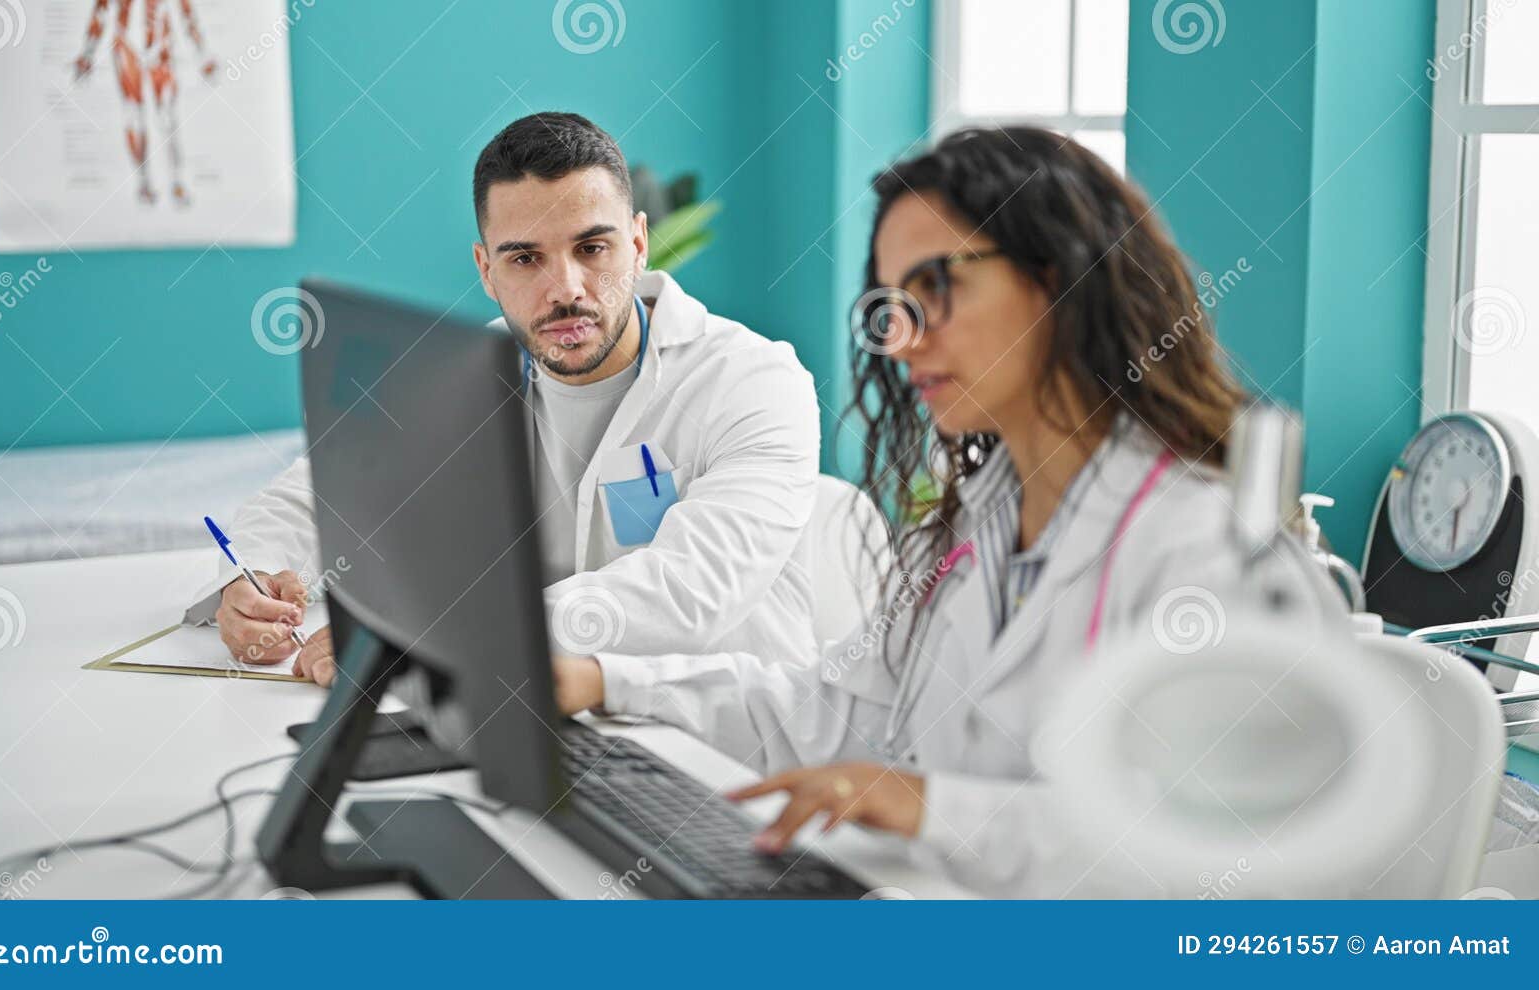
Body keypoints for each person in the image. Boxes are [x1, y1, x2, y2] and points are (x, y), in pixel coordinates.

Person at [551, 127, 1352, 896]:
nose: (901, 340)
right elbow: (829, 712)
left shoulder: (1207, 555)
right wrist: (603, 679)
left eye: (938, 285)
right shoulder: (976, 526)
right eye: (894, 303)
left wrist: (932, 806)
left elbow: (1231, 870)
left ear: (1061, 276)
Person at [184, 112, 821, 686]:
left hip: (733, 747)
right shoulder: (452, 376)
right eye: (525, 259)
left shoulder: (755, 383)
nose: (565, 288)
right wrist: (253, 579)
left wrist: (432, 638)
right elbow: (316, 497)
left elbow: (693, 590)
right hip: (549, 722)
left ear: (638, 243)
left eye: (592, 248)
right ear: (487, 270)